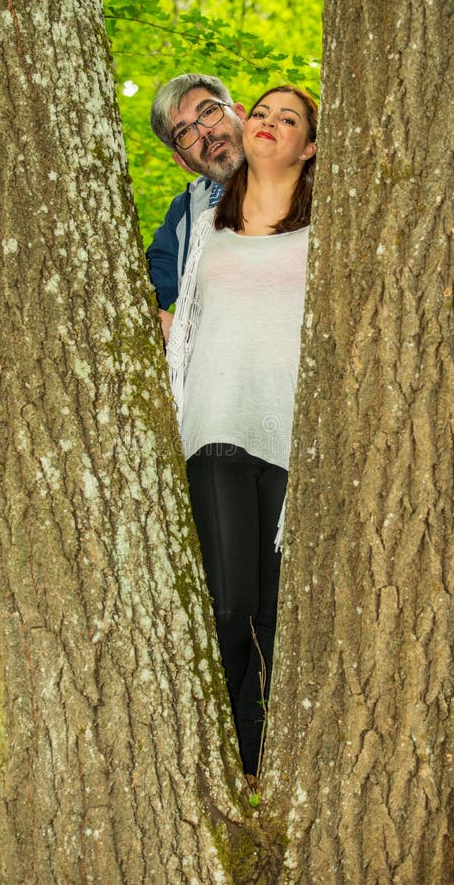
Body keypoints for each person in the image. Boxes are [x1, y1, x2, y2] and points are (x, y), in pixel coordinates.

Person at [166, 86, 318, 776]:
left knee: (280, 616)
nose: (268, 124)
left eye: (288, 120)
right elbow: (174, 312)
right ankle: (214, 766)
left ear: (308, 148)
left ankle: (262, 773)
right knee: (228, 606)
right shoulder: (202, 224)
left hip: (293, 435)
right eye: (262, 113)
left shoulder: (329, 219)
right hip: (216, 425)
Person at [147, 74, 246, 315]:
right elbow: (137, 294)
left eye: (209, 111)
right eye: (184, 133)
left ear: (240, 114)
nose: (203, 132)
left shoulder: (302, 171)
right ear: (182, 162)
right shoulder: (183, 213)